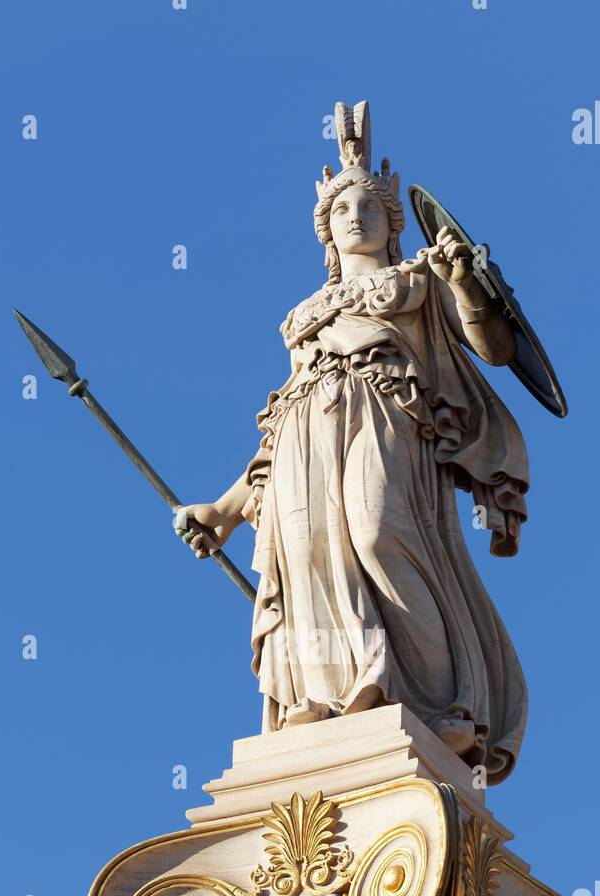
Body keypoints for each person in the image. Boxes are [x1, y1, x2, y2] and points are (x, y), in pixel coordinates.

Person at [174, 101, 530, 784]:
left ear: (392, 222)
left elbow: (494, 348)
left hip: (386, 414)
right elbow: (274, 430)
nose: (356, 217)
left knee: (376, 534)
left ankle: (437, 706)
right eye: (342, 211)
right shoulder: (307, 315)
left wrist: (464, 284)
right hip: (307, 429)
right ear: (327, 233)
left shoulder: (418, 280)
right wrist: (221, 511)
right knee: (309, 551)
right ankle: (330, 694)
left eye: (368, 206)